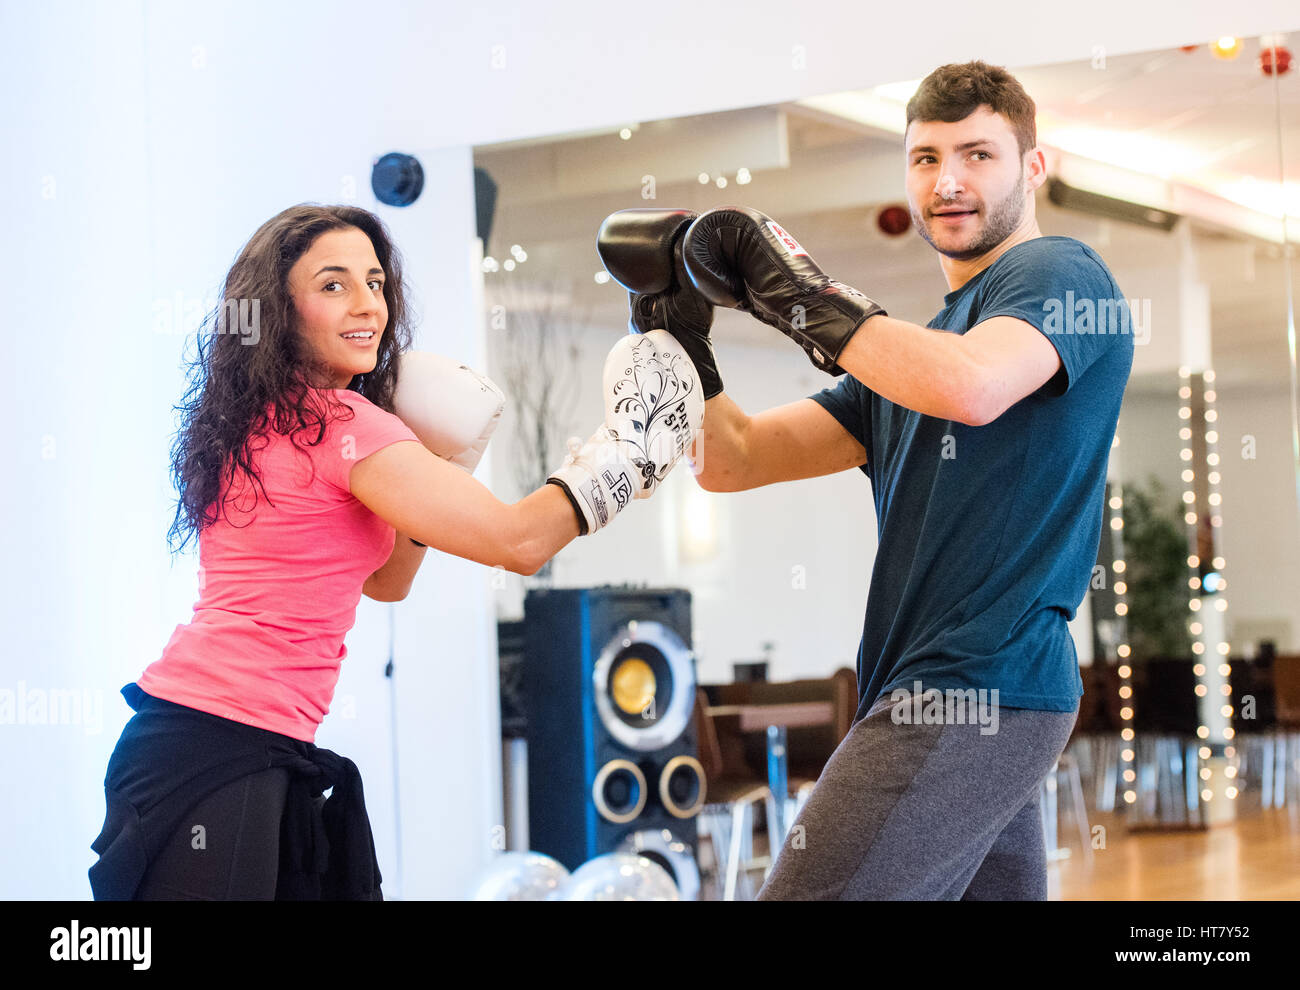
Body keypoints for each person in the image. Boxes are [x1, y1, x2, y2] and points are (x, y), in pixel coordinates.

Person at [599, 60, 1135, 899]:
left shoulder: (1061, 275)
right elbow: (734, 460)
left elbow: (972, 386)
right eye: (925, 159)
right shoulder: (907, 358)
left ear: (1033, 166)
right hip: (930, 685)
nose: (948, 181)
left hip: (975, 682)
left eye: (977, 155)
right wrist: (679, 337)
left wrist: (801, 297)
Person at [89, 203, 703, 900]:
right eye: (333, 284)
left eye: (376, 283)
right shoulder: (343, 424)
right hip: (222, 750)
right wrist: (626, 455)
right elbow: (520, 542)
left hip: (214, 745)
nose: (366, 306)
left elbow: (385, 580)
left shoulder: (257, 421)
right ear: (279, 309)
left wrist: (444, 465)